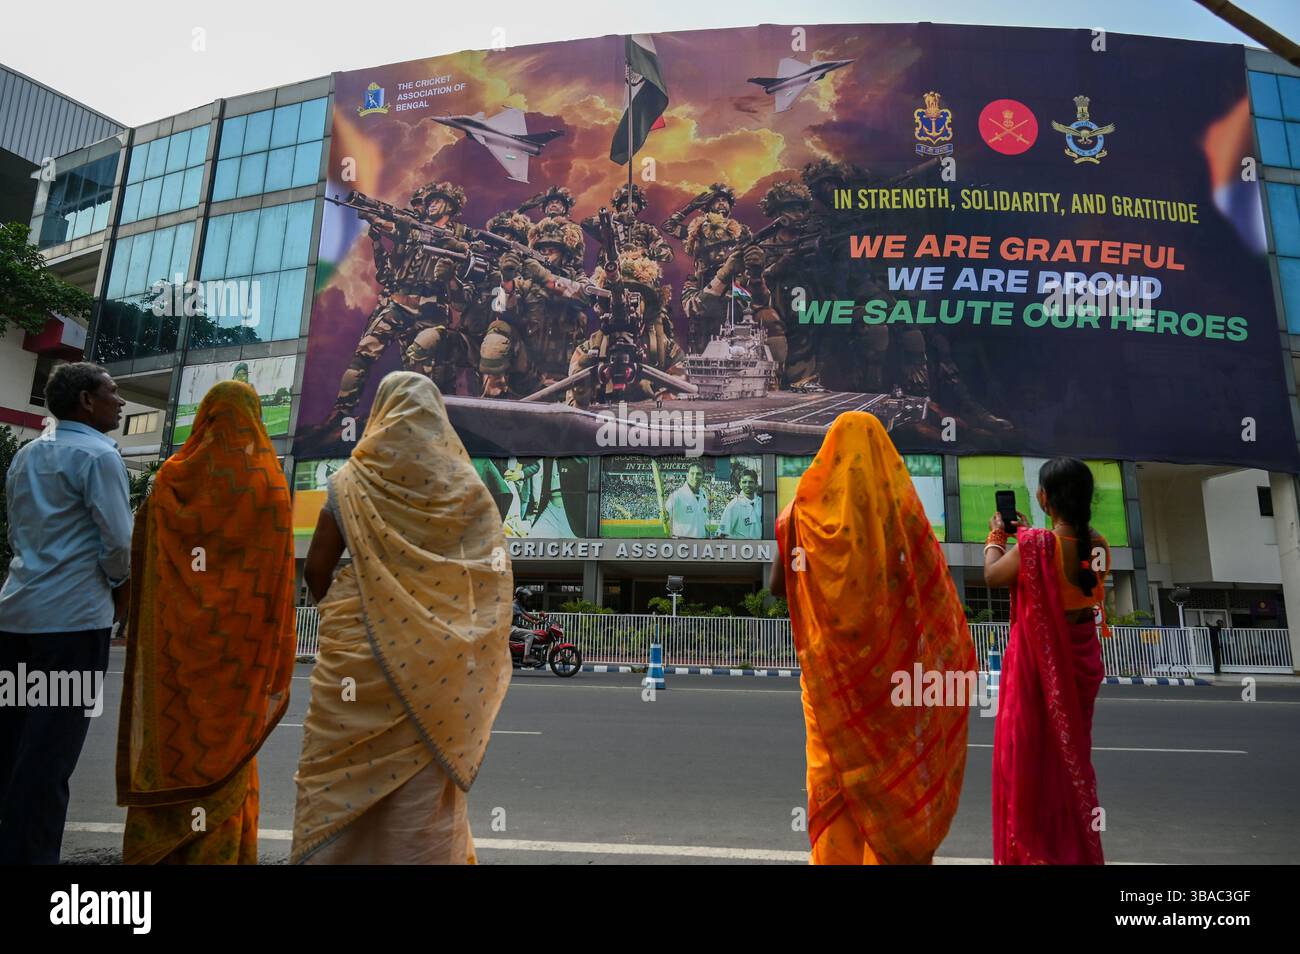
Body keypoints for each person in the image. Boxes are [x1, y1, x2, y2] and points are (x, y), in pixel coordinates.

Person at [292, 372, 512, 864]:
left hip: (357, 650)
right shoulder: (465, 488)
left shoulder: (349, 482)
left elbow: (317, 569)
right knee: (422, 778)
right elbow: (483, 573)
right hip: (436, 657)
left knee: (341, 772)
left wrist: (354, 607)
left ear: (380, 412)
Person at [770, 412, 972, 865]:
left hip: (832, 681)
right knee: (891, 778)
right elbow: (931, 593)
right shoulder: (900, 514)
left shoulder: (798, 516)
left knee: (838, 776)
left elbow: (775, 586)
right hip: (896, 682)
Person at [115, 381, 296, 864]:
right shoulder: (268, 481)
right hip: (239, 660)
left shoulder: (173, 478)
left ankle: (162, 847)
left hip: (173, 650)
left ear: (204, 418)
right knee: (229, 749)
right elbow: (277, 580)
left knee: (175, 746)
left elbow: (147, 563)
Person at [0, 362, 130, 864]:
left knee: (12, 745)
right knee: (49, 756)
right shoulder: (100, 456)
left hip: (17, 617)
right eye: (112, 392)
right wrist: (120, 583)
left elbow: (20, 532)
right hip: (72, 626)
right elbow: (118, 542)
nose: (120, 401)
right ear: (86, 402)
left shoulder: (27, 455)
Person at [983, 456, 1108, 865]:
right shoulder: (1100, 545)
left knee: (1031, 762)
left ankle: (1036, 852)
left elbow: (993, 576)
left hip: (1038, 673)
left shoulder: (1037, 545)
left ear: (1043, 498)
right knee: (1070, 759)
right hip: (1081, 662)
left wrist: (997, 540)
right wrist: (1028, 536)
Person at [665, 462, 709, 538]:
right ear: (687, 475)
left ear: (703, 477)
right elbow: (667, 510)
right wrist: (665, 514)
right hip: (683, 545)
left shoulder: (704, 494)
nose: (695, 477)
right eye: (692, 473)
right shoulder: (677, 495)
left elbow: (701, 521)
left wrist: (707, 533)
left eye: (698, 474)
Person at [717, 469, 761, 539]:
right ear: (740, 484)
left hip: (762, 547)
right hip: (742, 548)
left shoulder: (762, 503)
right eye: (744, 482)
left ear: (756, 484)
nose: (747, 485)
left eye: (751, 482)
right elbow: (722, 534)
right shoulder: (733, 505)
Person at [511, 586, 546, 669]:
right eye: (524, 596)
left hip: (514, 626)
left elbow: (527, 614)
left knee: (529, 630)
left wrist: (539, 619)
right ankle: (526, 657)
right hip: (510, 628)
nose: (525, 598)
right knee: (530, 634)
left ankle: (527, 652)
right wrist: (535, 622)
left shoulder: (518, 604)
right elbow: (524, 617)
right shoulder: (513, 605)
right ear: (520, 596)